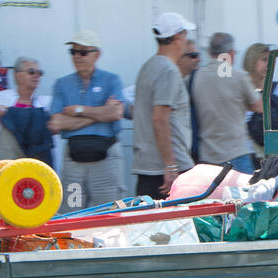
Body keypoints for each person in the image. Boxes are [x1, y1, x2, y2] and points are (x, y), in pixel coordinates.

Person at [48, 30, 126, 209]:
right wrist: (99, 114)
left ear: (96, 54)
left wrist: (78, 110)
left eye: (83, 52)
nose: (77, 57)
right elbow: (56, 123)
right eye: (73, 52)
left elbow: (115, 113)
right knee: (71, 211)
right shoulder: (62, 84)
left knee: (108, 212)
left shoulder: (112, 80)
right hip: (74, 161)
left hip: (105, 159)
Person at [131, 13, 196, 198]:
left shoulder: (148, 66)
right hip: (168, 170)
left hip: (148, 167)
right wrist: (170, 166)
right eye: (185, 35)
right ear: (178, 37)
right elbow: (159, 119)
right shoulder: (168, 70)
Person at [191, 32, 262, 175]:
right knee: (243, 196)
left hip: (208, 158)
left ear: (210, 52)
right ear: (230, 53)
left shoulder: (196, 77)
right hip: (237, 154)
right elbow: (259, 106)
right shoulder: (239, 76)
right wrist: (240, 103)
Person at [0, 57, 55, 168]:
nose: (36, 76)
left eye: (39, 73)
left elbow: (55, 122)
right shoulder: (3, 96)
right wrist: (38, 116)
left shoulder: (45, 101)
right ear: (17, 76)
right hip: (8, 155)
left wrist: (14, 113)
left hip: (36, 155)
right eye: (31, 72)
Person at [243, 42, 278, 157]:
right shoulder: (242, 87)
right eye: (264, 60)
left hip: (277, 152)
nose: (268, 64)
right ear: (252, 61)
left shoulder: (277, 88)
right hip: (252, 155)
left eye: (270, 60)